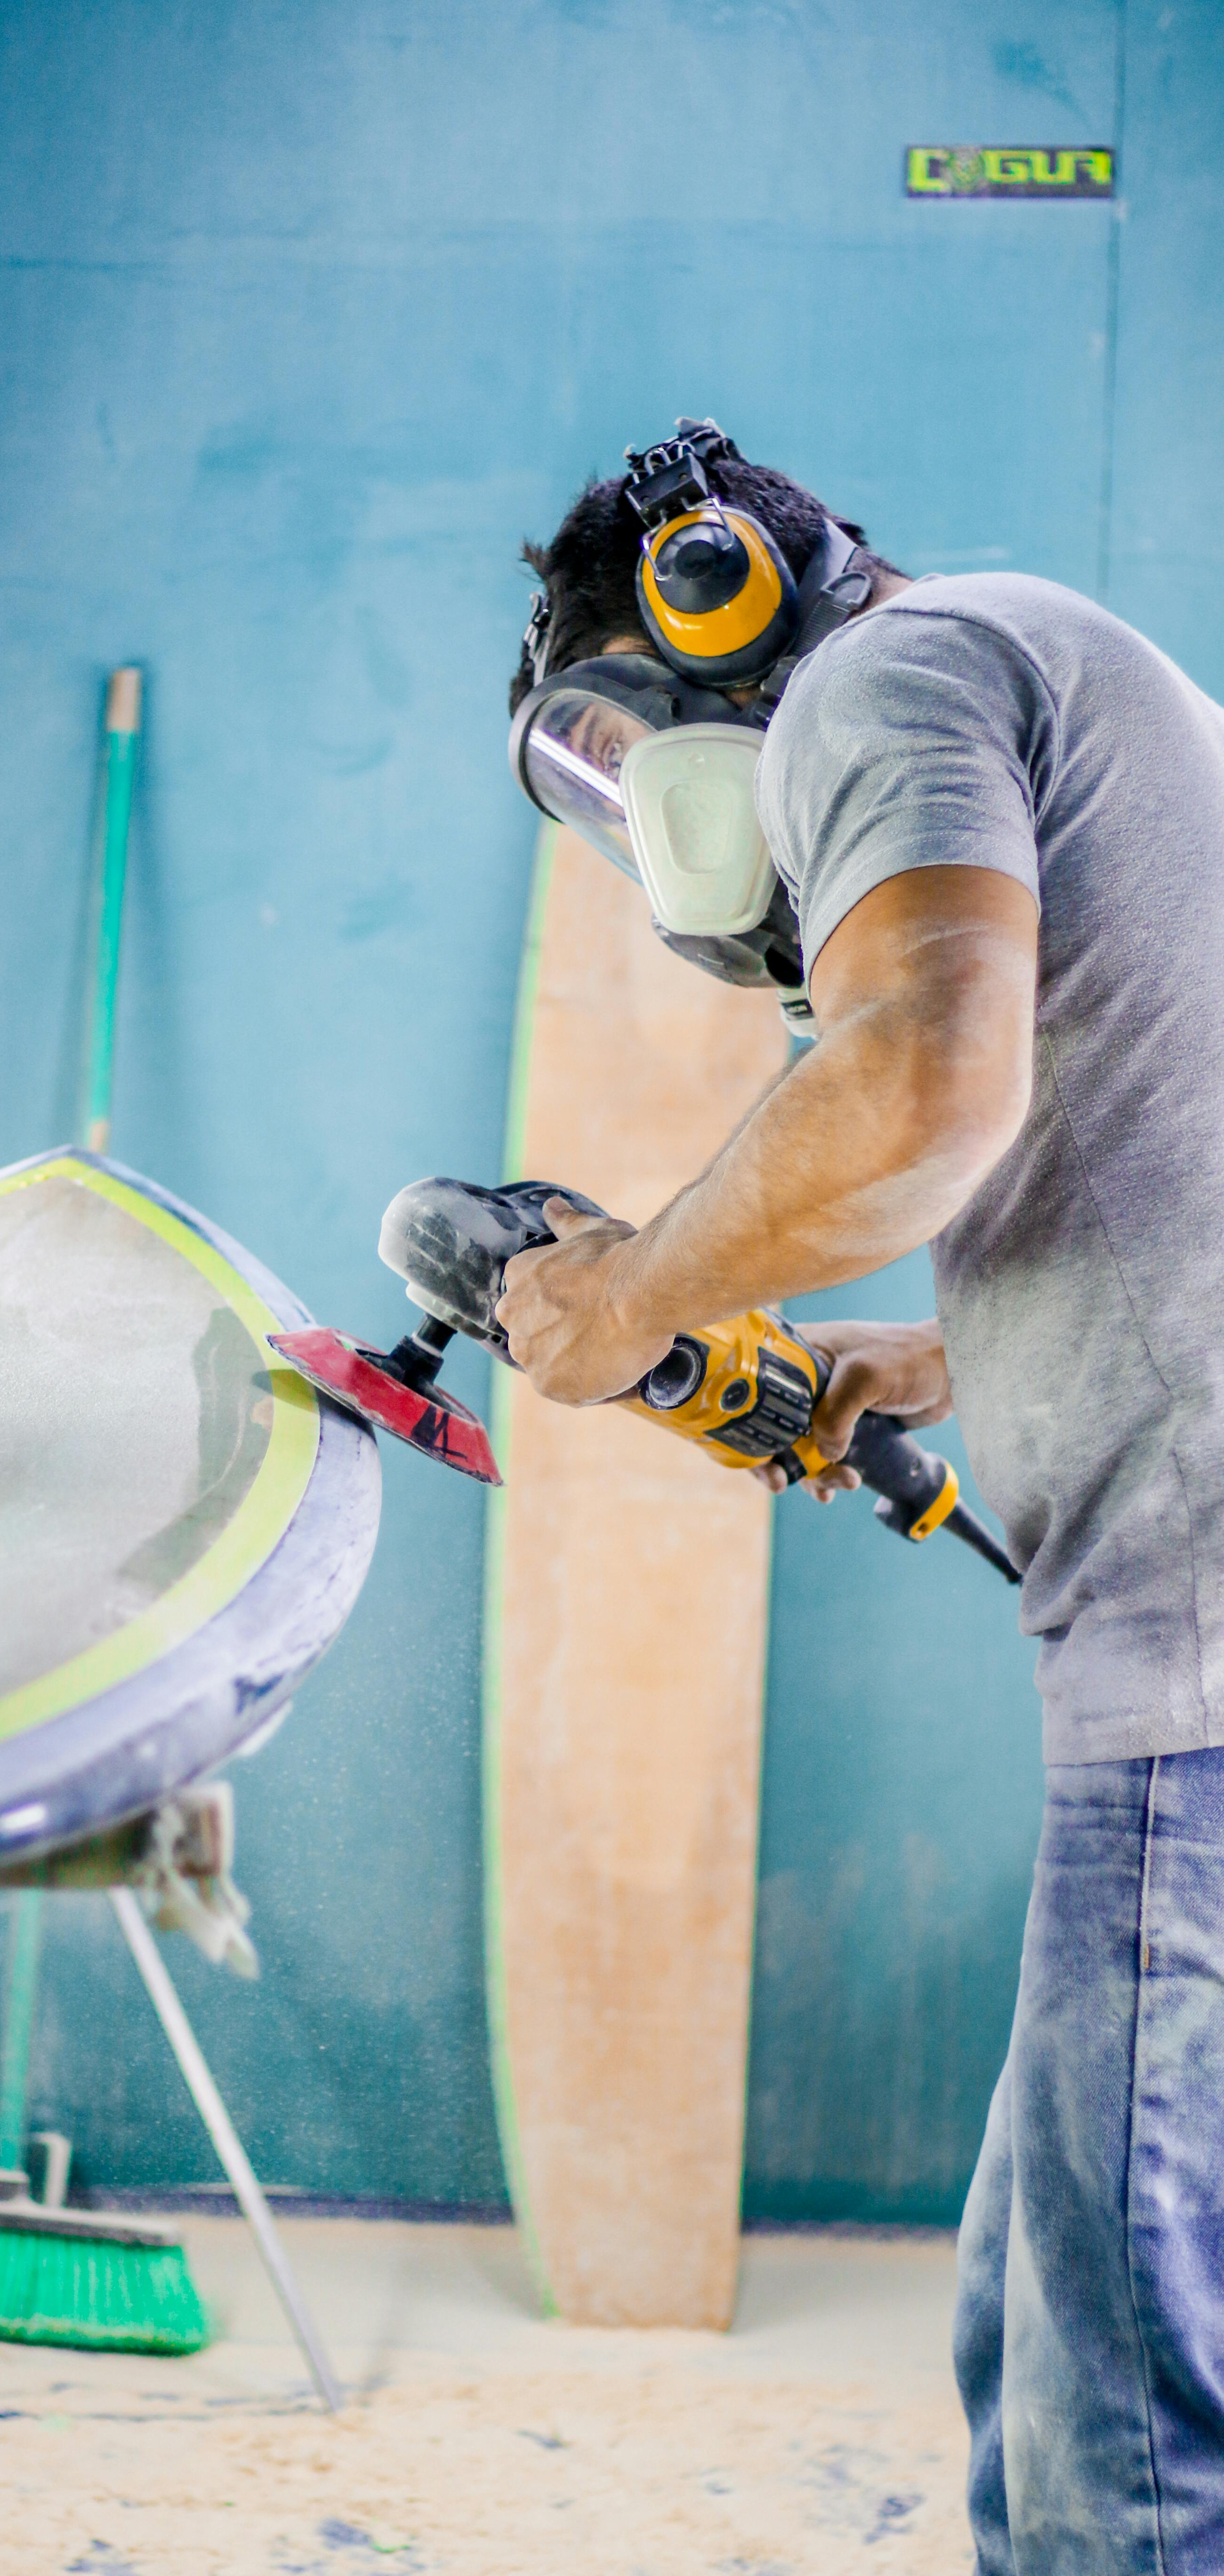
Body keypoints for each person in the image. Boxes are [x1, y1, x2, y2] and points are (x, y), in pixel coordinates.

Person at [495, 425, 1224, 2576]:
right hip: (1187, 1658)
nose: (639, 832)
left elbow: (918, 1080)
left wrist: (631, 1290)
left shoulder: (881, 686)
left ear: (721, 610)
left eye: (609, 760)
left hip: (1191, 1682)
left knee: (1124, 2433)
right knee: (1048, 2305)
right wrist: (932, 1361)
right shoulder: (1076, 680)